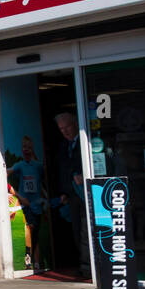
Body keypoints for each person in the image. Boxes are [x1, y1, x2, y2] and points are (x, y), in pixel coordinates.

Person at [53, 112, 89, 279]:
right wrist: (63, 192)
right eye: (61, 129)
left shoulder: (86, 142)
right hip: (72, 195)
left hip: (86, 192)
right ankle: (84, 264)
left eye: (67, 127)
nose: (65, 131)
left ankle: (88, 267)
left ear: (75, 124)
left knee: (85, 230)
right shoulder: (63, 145)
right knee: (77, 230)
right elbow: (62, 171)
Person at [8, 136, 48, 272]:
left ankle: (36, 263)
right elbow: (5, 173)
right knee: (28, 234)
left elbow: (41, 182)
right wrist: (17, 194)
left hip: (37, 205)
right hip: (26, 206)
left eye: (29, 148)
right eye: (24, 148)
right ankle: (29, 262)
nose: (26, 150)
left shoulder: (38, 166)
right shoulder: (19, 165)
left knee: (35, 234)